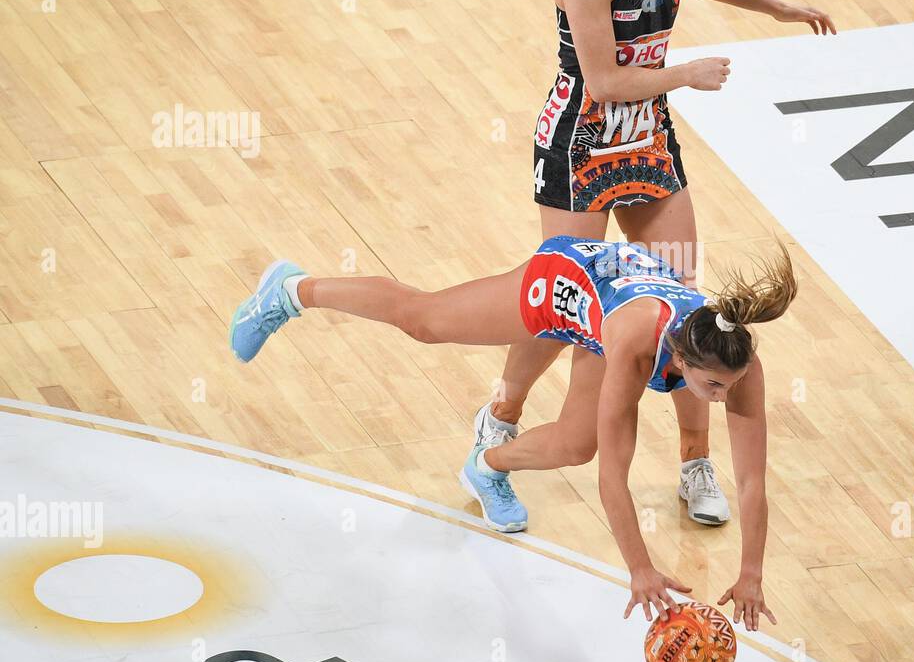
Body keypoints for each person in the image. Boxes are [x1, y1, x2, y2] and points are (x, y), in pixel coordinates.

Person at [477, 0, 836, 531]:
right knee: (559, 310)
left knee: (684, 306)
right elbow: (606, 81)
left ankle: (695, 461)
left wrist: (774, 7)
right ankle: (499, 419)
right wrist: (683, 73)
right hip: (581, 140)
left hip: (645, 137)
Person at [229, 236, 796, 629]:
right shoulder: (634, 345)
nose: (722, 398)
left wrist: (751, 574)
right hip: (567, 283)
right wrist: (639, 570)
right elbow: (613, 479)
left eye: (729, 386)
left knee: (575, 445)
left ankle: (487, 465)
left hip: (615, 298)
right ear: (680, 358)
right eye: (712, 387)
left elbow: (750, 483)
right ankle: (292, 290)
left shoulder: (736, 359)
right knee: (425, 320)